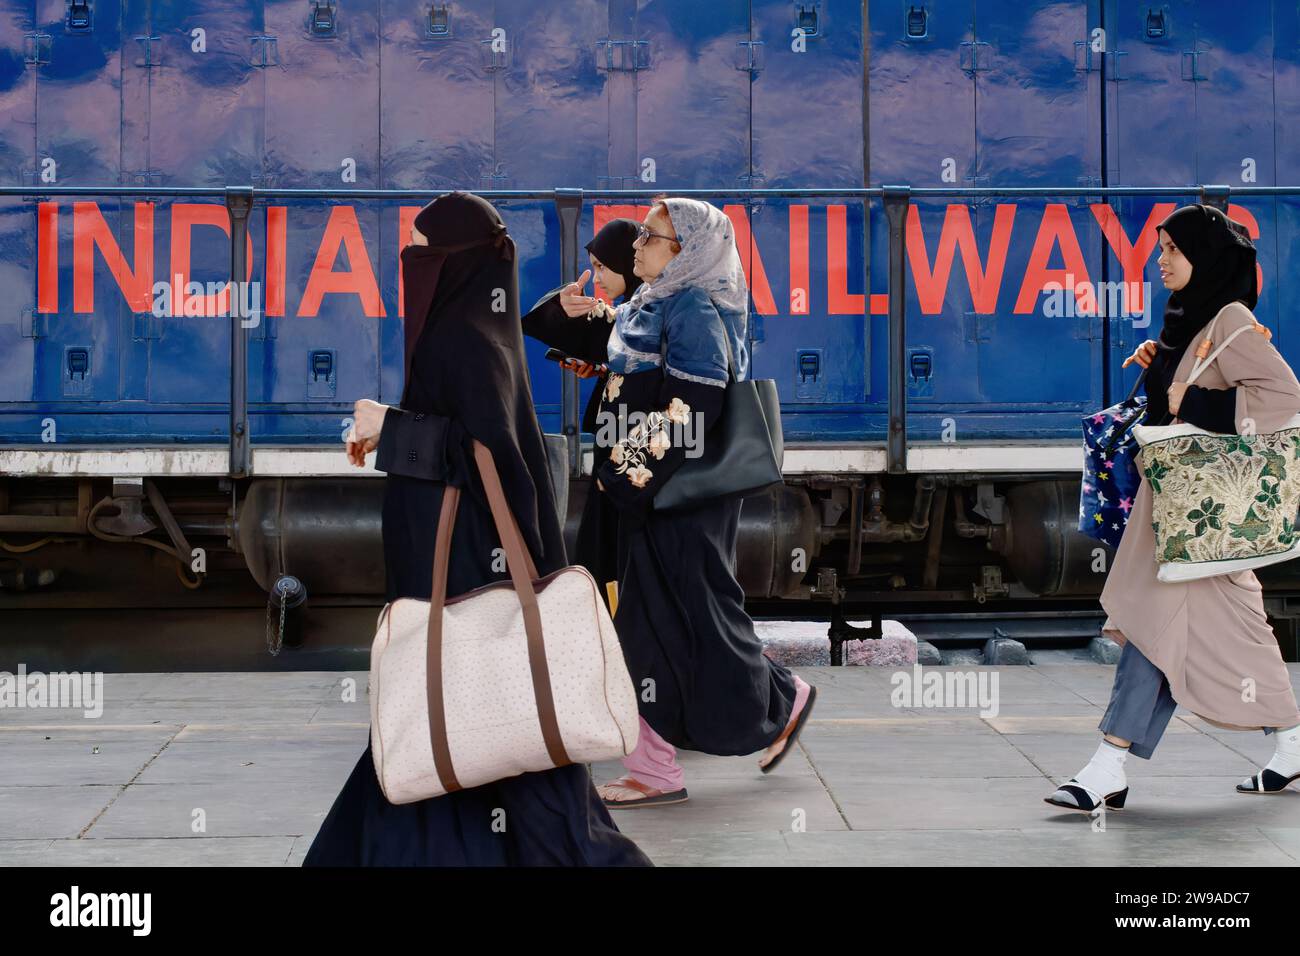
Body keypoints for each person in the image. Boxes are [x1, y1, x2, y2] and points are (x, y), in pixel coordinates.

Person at [303, 191, 651, 865]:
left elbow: (482, 453)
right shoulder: (478, 329)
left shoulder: (461, 338)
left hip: (469, 561)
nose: (411, 259)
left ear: (450, 262)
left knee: (464, 708)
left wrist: (388, 425)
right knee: (472, 719)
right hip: (464, 553)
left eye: (421, 247)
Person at [1045, 204, 1300, 814]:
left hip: (1198, 519)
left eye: (1170, 252)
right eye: (1159, 250)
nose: (1159, 263)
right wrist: (1161, 367)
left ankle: (1107, 765)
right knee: (1239, 635)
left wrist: (1194, 400)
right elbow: (1173, 402)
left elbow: (1284, 398)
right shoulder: (1190, 322)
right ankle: (1290, 744)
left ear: (1203, 258)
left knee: (1151, 631)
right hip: (1184, 515)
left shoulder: (1232, 320)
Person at [564, 196, 817, 808]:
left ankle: (753, 713)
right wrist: (583, 314)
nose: (637, 247)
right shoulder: (656, 301)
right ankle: (765, 705)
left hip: (677, 493)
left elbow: (687, 412)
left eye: (651, 237)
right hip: (654, 491)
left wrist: (623, 474)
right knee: (662, 619)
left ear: (690, 252)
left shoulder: (696, 307)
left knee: (683, 618)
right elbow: (629, 356)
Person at [521, 218, 643, 600]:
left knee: (615, 557)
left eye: (604, 267)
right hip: (618, 458)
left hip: (635, 464)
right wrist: (603, 370)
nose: (598, 277)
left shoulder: (647, 315)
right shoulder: (634, 314)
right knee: (606, 556)